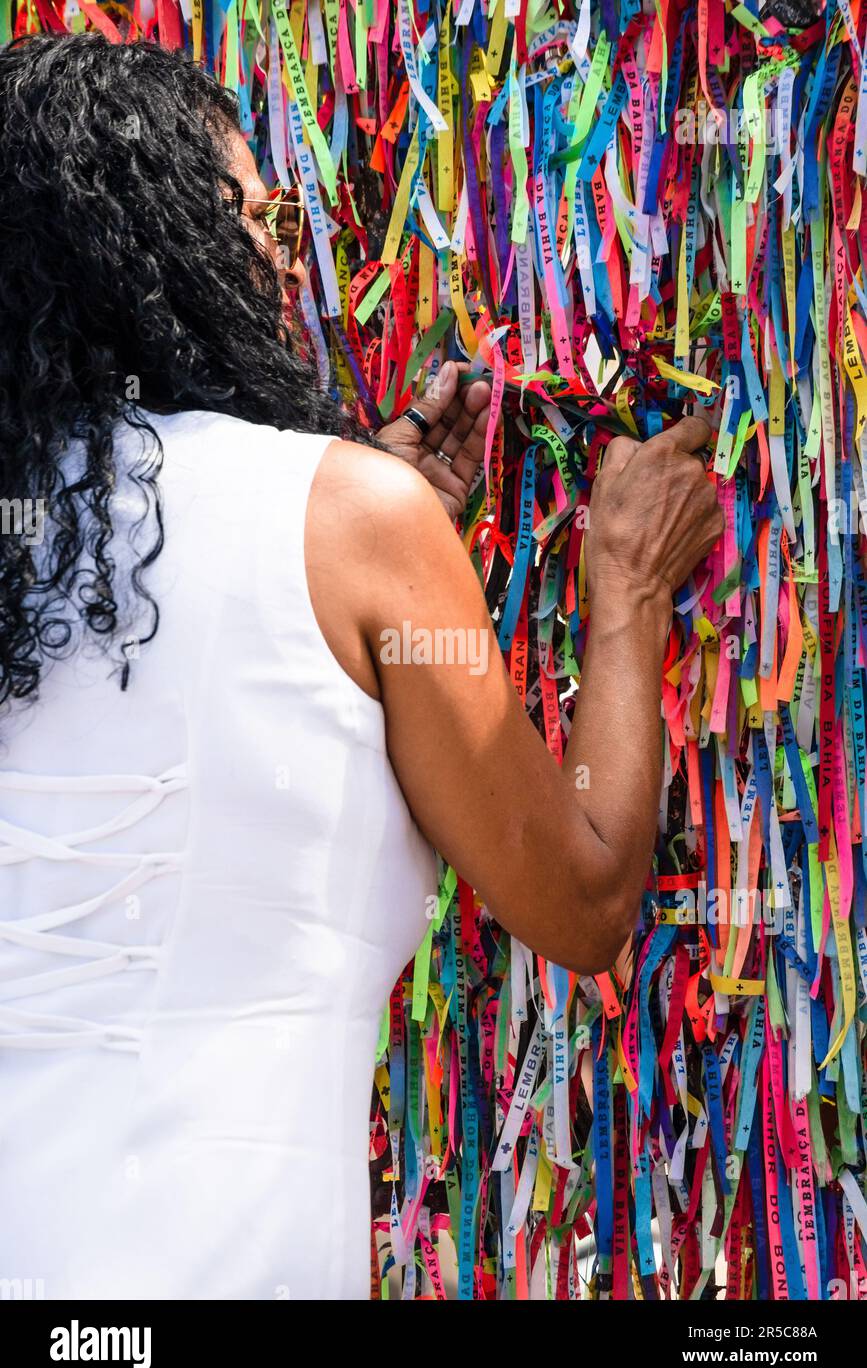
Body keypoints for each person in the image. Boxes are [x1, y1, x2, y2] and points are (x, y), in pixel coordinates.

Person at [0, 32, 723, 1299]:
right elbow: (588, 896)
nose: (288, 250)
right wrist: (627, 589)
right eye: (261, 211)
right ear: (167, 232)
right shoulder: (353, 520)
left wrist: (356, 501)